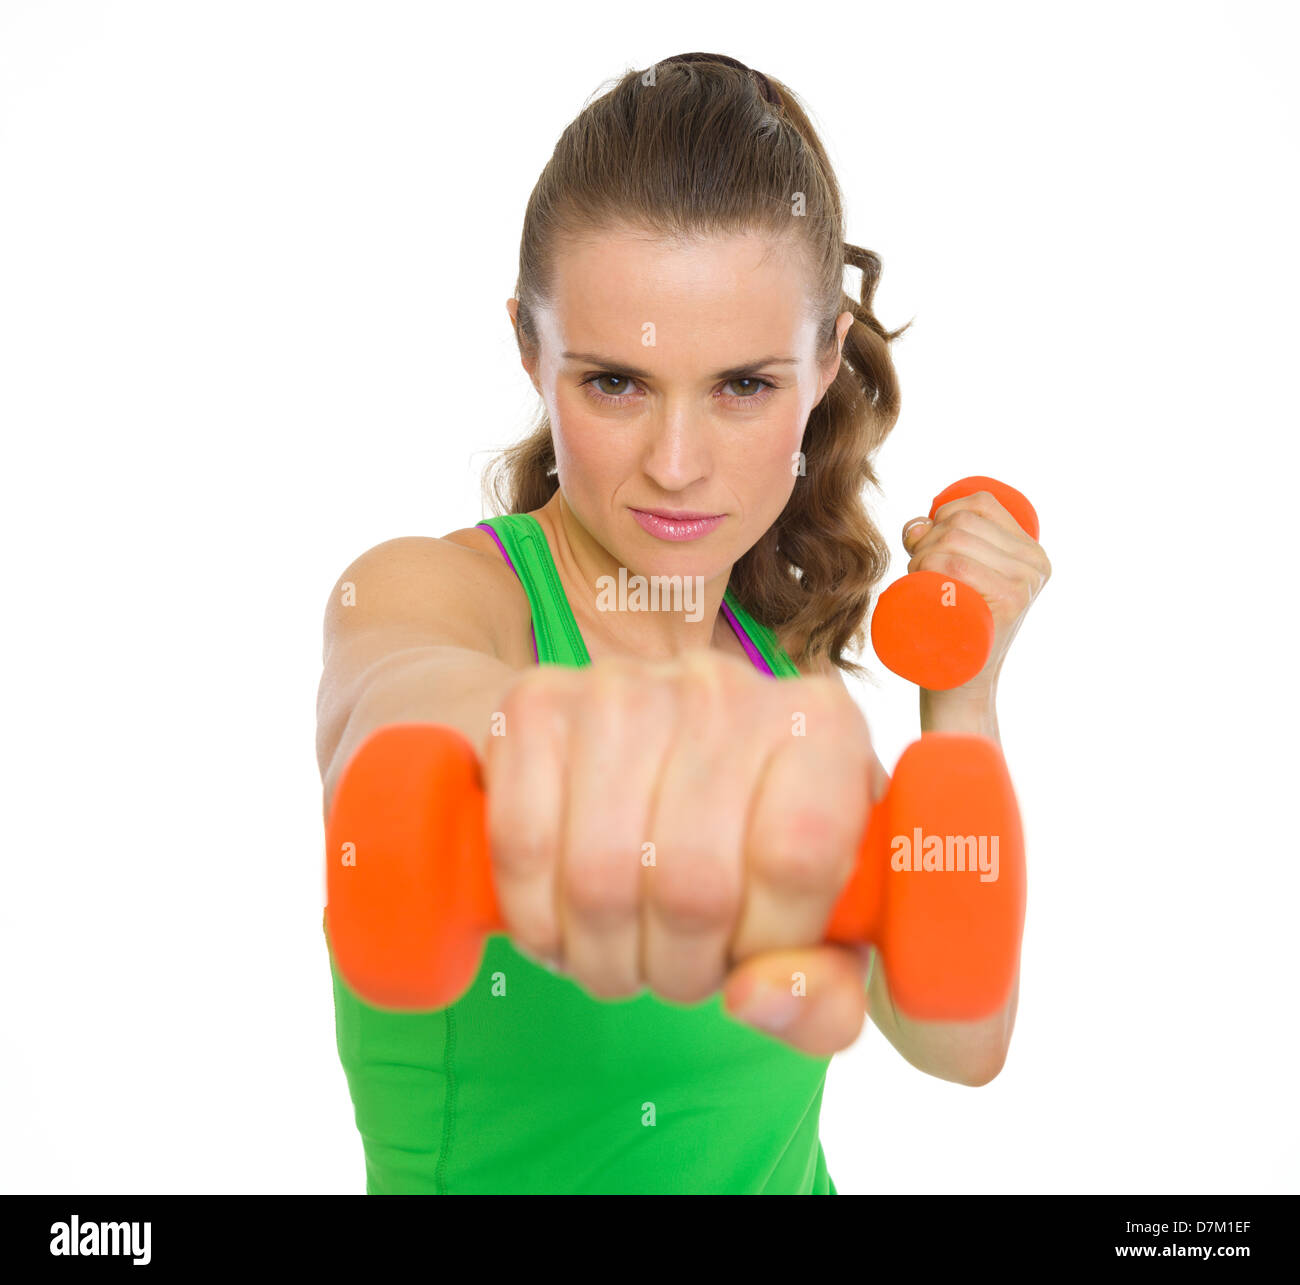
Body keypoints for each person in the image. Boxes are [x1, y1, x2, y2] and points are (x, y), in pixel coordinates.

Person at [316, 52, 1051, 1194]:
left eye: (742, 386)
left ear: (825, 358)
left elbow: (959, 1037)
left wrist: (963, 689)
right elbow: (397, 710)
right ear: (530, 350)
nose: (673, 464)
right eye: (615, 383)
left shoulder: (779, 666)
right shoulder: (439, 594)